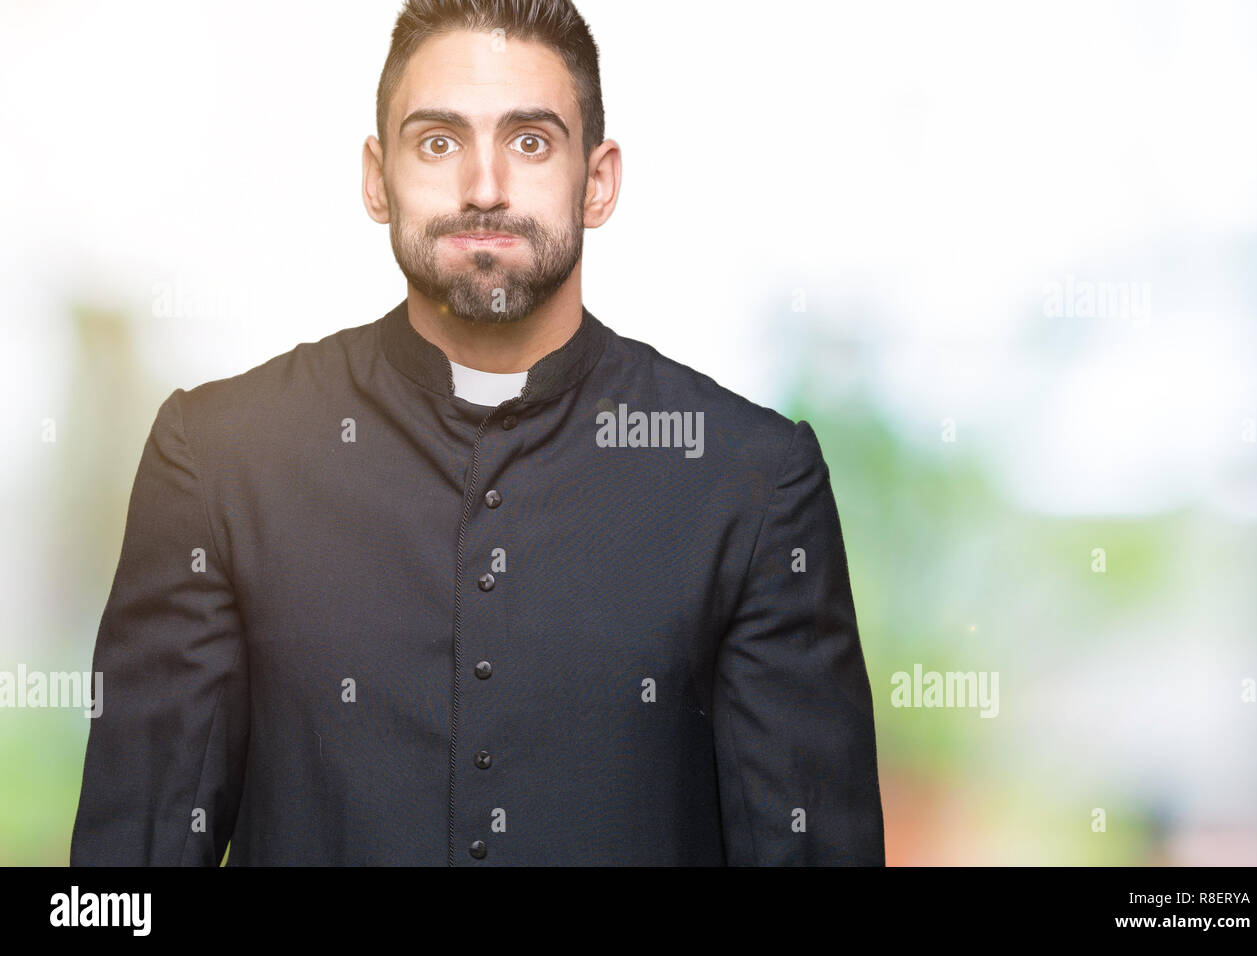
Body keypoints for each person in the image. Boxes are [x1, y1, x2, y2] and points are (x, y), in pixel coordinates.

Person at [70, 0, 885, 866]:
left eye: (531, 141)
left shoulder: (750, 480)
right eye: (438, 141)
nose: (485, 186)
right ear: (378, 180)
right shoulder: (220, 457)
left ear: (598, 181)